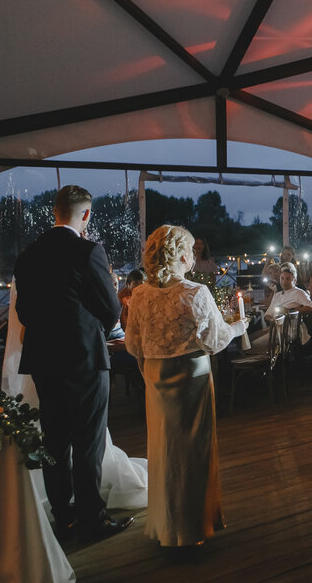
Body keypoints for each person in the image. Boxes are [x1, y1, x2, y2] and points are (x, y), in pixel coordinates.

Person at [13, 185, 133, 541]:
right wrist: (92, 322)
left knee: (55, 440)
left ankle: (63, 517)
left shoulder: (28, 255)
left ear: (55, 211)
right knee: (88, 441)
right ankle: (91, 519)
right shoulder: (88, 250)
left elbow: (24, 312)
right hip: (84, 359)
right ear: (86, 214)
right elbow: (110, 308)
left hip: (44, 361)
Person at [125, 225, 247, 548]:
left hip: (155, 377)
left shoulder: (139, 295)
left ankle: (166, 526)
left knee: (163, 448)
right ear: (180, 256)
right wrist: (238, 328)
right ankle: (191, 529)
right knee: (192, 450)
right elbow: (214, 340)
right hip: (190, 377)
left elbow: (133, 344)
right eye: (190, 251)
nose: (193, 257)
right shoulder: (195, 292)